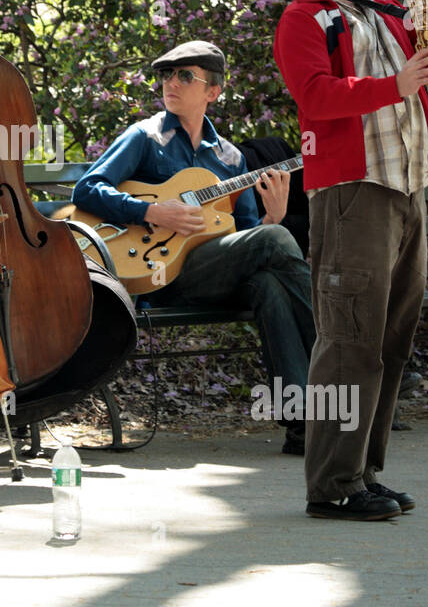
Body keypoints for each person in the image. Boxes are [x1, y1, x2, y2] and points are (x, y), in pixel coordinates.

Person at [272, 0, 428, 520]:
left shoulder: (381, 9)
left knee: (392, 339)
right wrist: (394, 84)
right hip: (353, 193)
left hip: (408, 187)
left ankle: (362, 473)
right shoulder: (302, 18)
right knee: (348, 340)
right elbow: (317, 97)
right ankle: (330, 486)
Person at [71, 40, 315, 455]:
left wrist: (273, 217)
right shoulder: (145, 137)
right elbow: (87, 188)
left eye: (185, 76)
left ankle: (303, 427)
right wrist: (151, 213)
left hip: (219, 271)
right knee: (276, 246)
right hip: (162, 274)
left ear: (213, 92)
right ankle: (338, 369)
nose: (172, 83)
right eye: (167, 75)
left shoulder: (231, 158)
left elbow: (250, 235)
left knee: (270, 284)